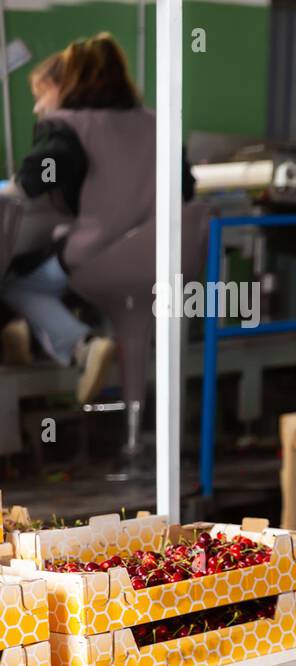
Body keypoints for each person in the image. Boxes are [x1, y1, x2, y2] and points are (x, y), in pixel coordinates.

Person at [0, 34, 194, 405]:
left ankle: (83, 346)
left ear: (73, 79)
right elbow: (185, 188)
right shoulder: (157, 122)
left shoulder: (69, 125)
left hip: (100, 259)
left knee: (17, 284)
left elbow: (36, 177)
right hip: (162, 263)